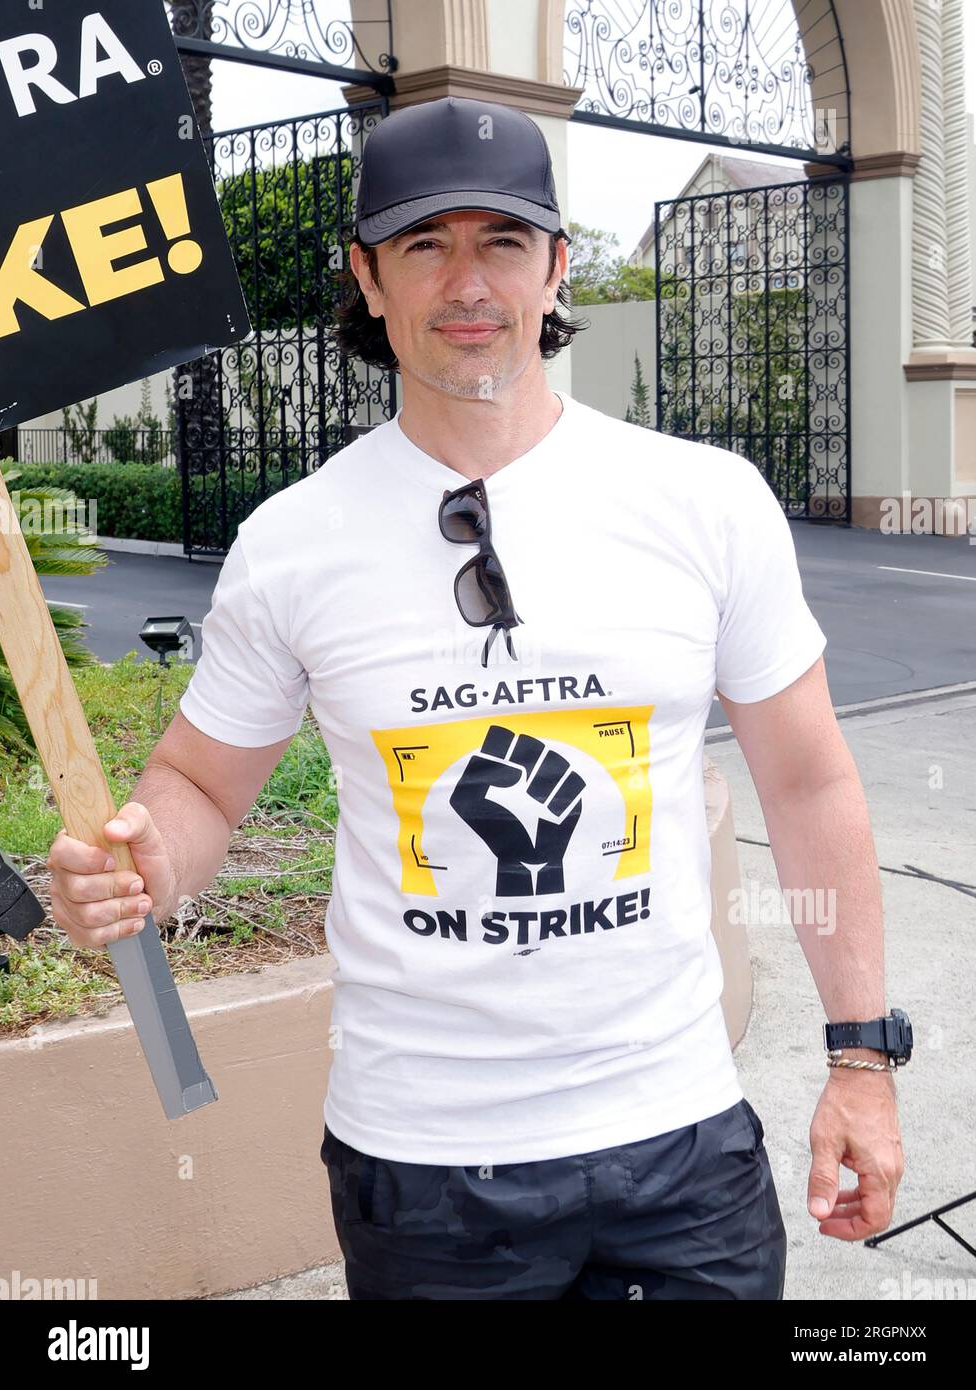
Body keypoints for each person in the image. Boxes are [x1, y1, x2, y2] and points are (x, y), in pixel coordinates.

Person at [46, 96, 904, 1300]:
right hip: (426, 1171)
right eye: (423, 243)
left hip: (680, 1143)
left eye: (501, 241)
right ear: (367, 275)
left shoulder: (704, 502)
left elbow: (810, 776)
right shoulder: (294, 543)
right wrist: (141, 867)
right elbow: (196, 786)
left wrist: (862, 1058)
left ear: (557, 267)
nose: (467, 282)